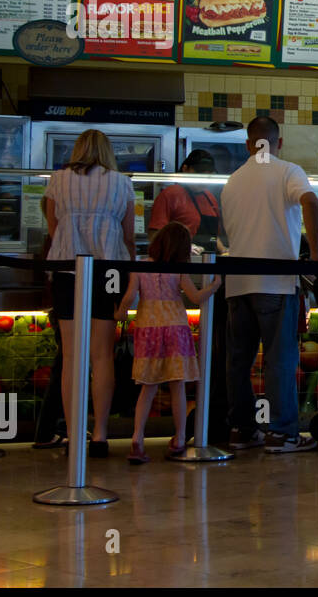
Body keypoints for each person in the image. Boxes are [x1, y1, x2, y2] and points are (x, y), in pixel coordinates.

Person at [220, 116, 318, 454]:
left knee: (239, 360)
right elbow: (310, 201)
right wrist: (316, 253)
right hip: (276, 283)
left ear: (249, 145)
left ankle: (242, 429)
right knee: (279, 360)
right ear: (278, 143)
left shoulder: (232, 181)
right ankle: (282, 433)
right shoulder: (287, 171)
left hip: (238, 283)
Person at [43, 129, 135, 458]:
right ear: (108, 152)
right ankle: (100, 435)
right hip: (108, 271)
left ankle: (72, 433)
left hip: (68, 270)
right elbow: (128, 237)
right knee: (102, 356)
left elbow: (53, 226)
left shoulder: (58, 179)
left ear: (77, 150)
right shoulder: (121, 183)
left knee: (72, 356)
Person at [116, 222, 221, 464]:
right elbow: (195, 297)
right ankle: (180, 438)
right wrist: (214, 286)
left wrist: (120, 313)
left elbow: (131, 295)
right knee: (178, 386)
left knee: (147, 387)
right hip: (175, 328)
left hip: (148, 329)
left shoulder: (140, 267)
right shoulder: (178, 270)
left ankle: (137, 439)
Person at [147, 149, 225, 252]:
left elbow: (213, 238)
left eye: (209, 174)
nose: (204, 179)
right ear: (185, 169)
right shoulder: (170, 194)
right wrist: (182, 248)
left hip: (208, 261)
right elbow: (155, 235)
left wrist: (224, 251)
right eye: (200, 173)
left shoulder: (209, 198)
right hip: (180, 261)